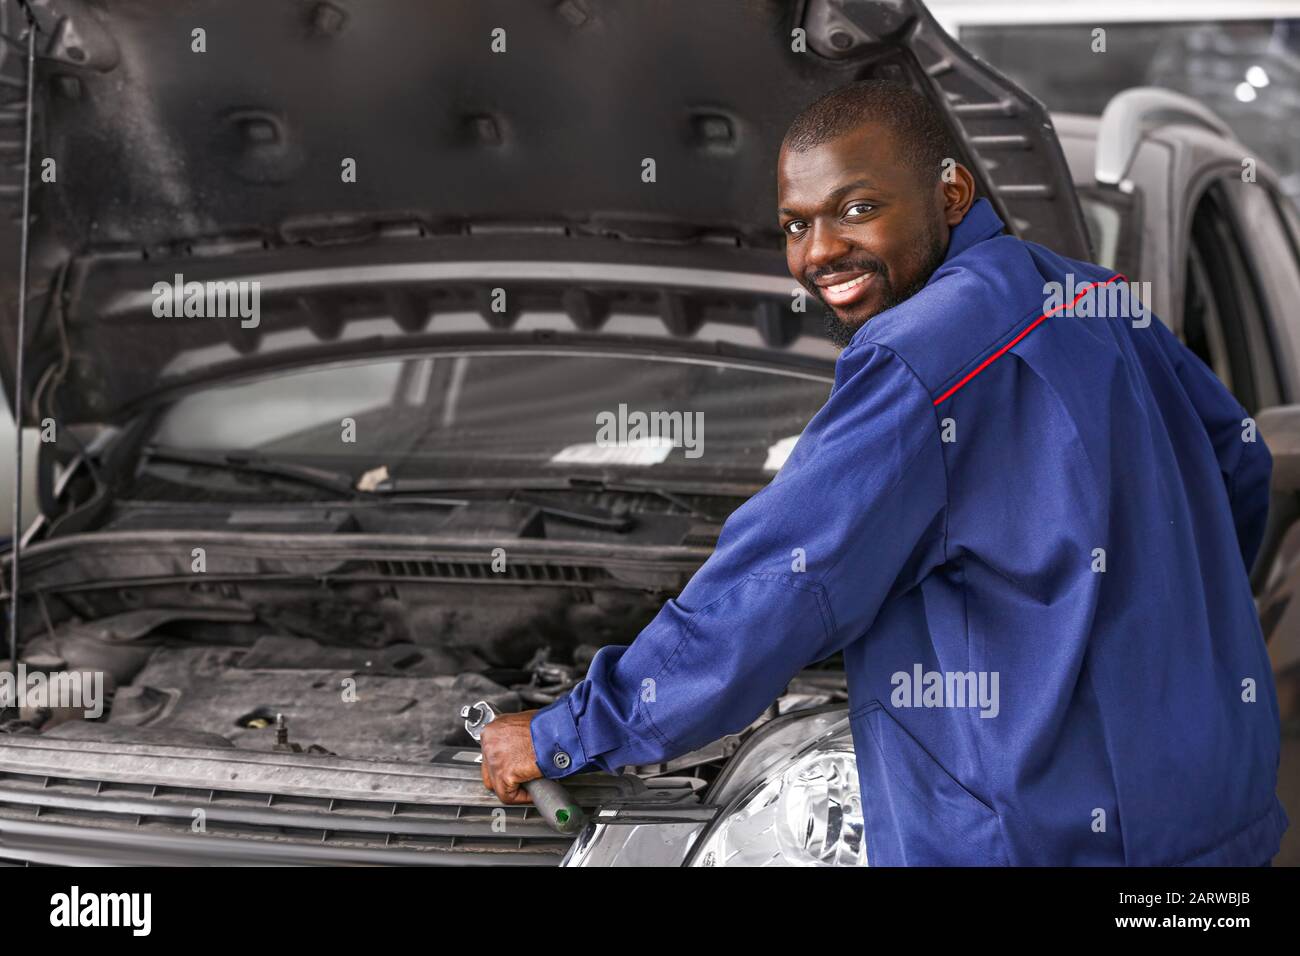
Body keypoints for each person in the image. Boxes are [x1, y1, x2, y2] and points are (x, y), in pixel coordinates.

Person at [479, 79, 1288, 866]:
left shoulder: (920, 357)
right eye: (795, 224)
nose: (821, 250)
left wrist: (566, 731)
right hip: (1216, 811)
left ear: (951, 192)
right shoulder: (1096, 297)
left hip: (1037, 837)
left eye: (857, 209)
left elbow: (777, 586)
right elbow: (1241, 466)